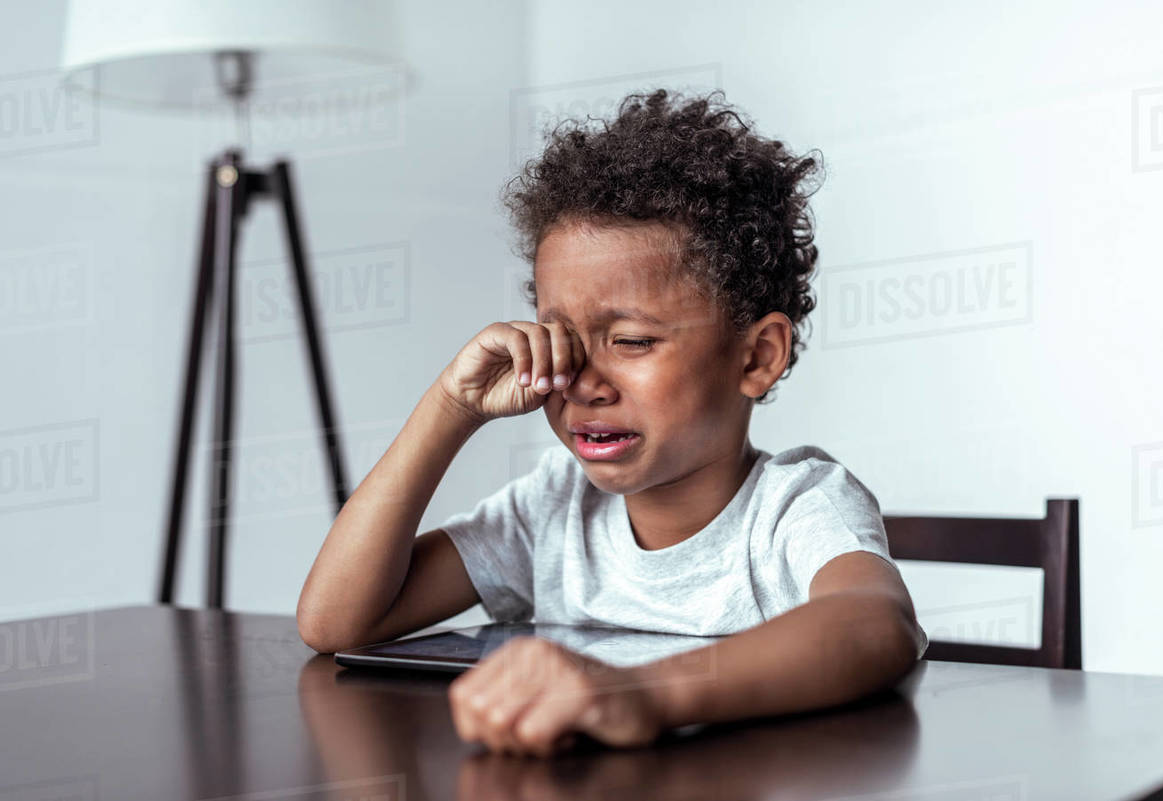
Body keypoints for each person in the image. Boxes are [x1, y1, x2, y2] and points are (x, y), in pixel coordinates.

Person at [297, 89, 928, 758]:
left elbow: (874, 623)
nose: (585, 382)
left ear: (756, 356)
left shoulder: (795, 507)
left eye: (630, 341)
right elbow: (337, 620)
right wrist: (450, 406)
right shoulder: (554, 507)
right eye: (561, 338)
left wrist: (640, 694)